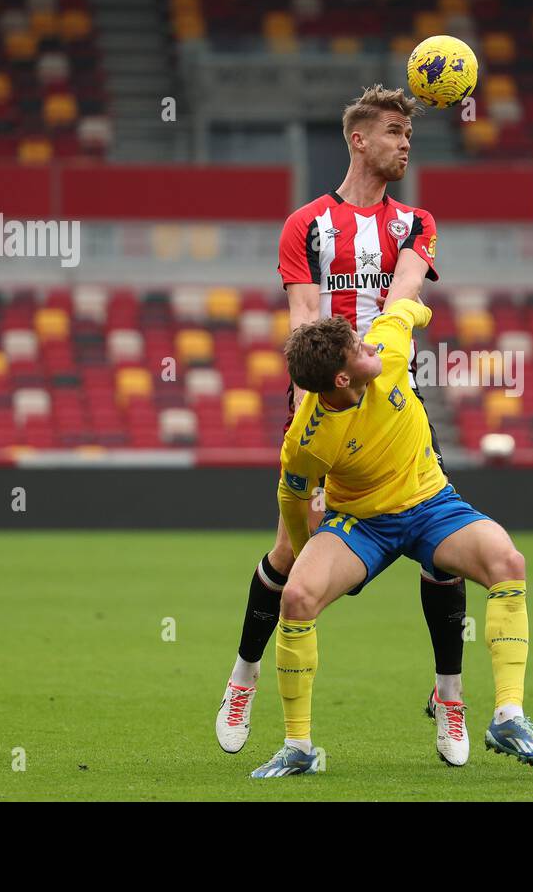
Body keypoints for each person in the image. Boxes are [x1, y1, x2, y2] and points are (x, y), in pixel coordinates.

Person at [216, 86, 470, 765]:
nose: (404, 142)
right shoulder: (306, 223)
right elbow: (304, 319)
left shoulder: (416, 221)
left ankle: (449, 692)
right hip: (321, 396)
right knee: (291, 553)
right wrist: (318, 401)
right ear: (358, 139)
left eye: (408, 133)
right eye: (392, 131)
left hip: (393, 398)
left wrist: (374, 368)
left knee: (444, 545)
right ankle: (243, 676)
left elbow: (404, 295)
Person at [250, 299, 533, 777]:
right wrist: (304, 547)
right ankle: (298, 746)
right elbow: (292, 498)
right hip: (362, 523)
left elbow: (408, 312)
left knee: (508, 562)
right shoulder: (307, 440)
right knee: (298, 597)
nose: (369, 343)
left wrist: (420, 309)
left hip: (432, 506)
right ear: (342, 380)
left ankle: (508, 716)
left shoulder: (387, 348)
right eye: (357, 348)